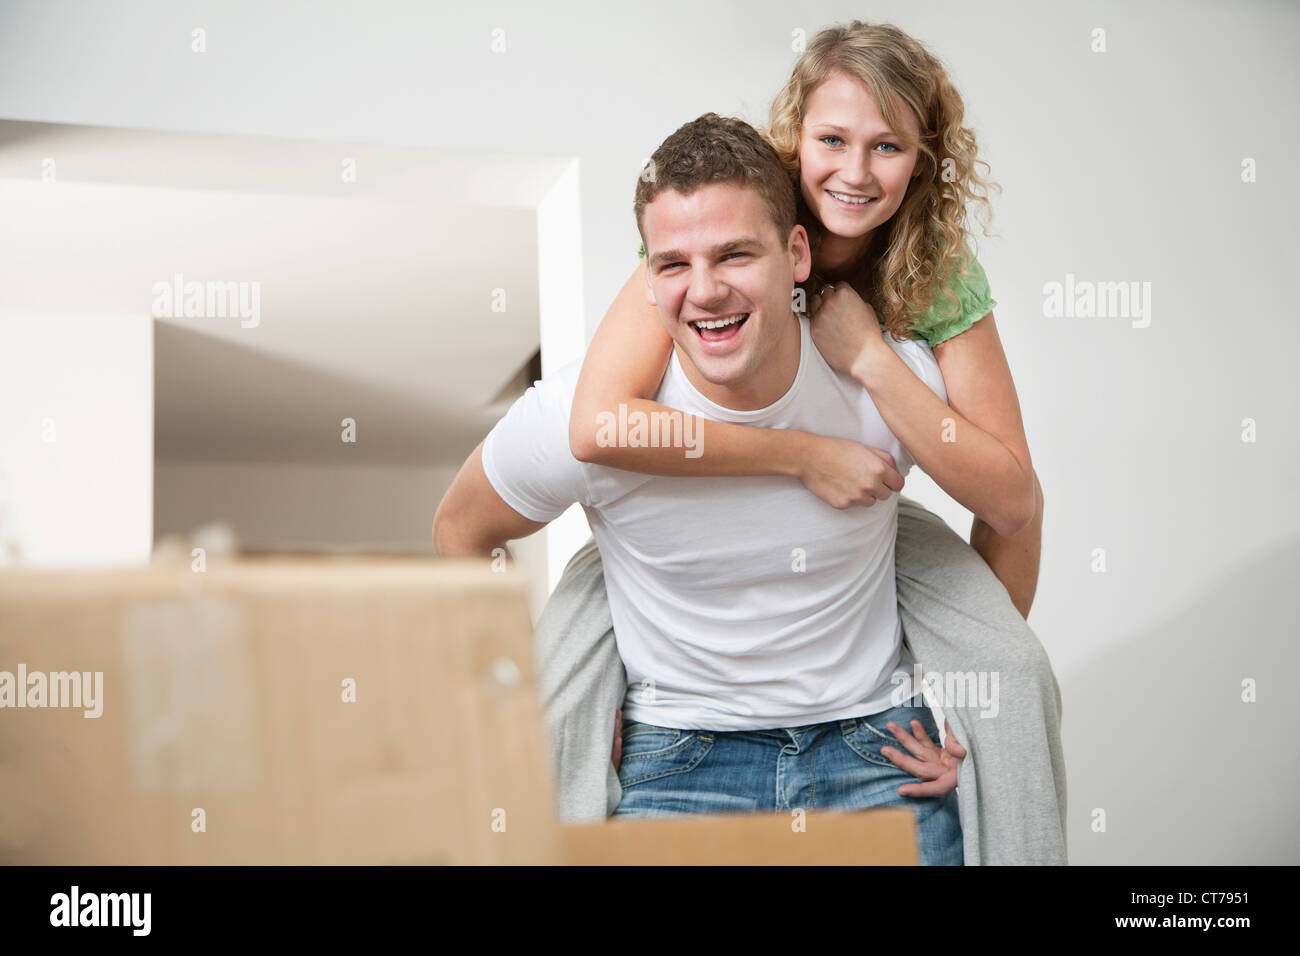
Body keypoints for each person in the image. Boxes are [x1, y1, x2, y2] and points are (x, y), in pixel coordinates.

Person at [554, 21, 1066, 865]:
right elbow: (598, 421)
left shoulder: (935, 269)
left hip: (864, 544)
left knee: (1012, 684)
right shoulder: (726, 218)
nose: (856, 173)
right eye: (832, 139)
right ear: (797, 135)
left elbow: (1012, 499)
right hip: (698, 544)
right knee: (564, 686)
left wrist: (869, 356)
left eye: (888, 146)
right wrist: (802, 456)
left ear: (924, 161)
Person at [437, 110, 971, 864]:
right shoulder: (582, 416)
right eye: (673, 265)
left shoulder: (883, 382)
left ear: (795, 253)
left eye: (733, 255)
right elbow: (460, 530)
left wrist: (978, 724)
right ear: (647, 275)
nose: (705, 291)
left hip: (878, 756)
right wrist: (524, 701)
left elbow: (1011, 506)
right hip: (676, 766)